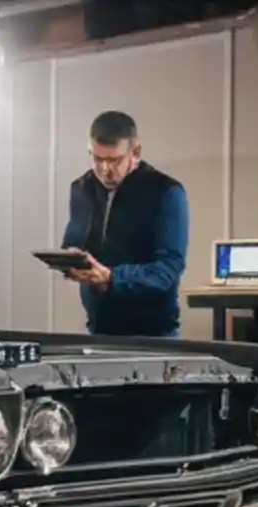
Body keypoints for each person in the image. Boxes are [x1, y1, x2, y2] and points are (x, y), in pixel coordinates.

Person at [60, 110, 189, 337]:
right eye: (97, 159)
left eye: (114, 160)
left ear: (135, 152)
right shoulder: (82, 189)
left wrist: (111, 277)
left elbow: (167, 271)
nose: (105, 170)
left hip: (153, 334)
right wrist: (68, 261)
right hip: (99, 328)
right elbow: (73, 241)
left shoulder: (166, 192)